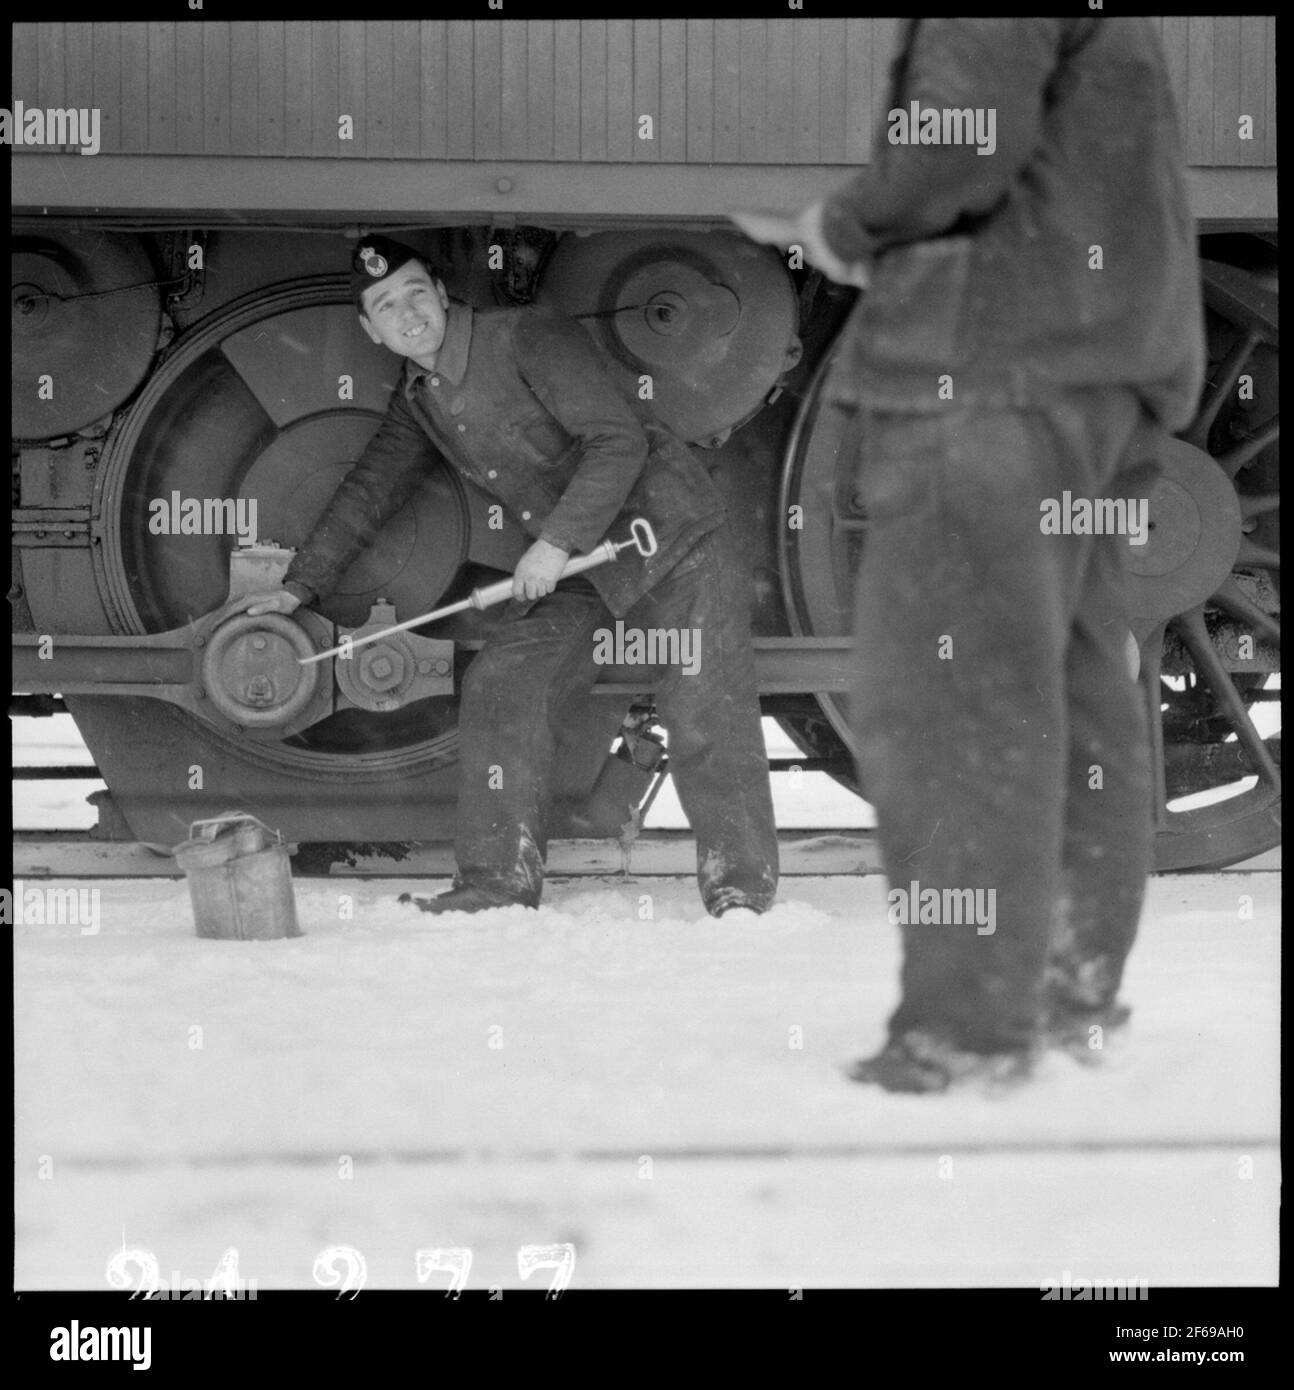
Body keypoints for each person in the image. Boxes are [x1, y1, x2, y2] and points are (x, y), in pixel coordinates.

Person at [763, 17, 1204, 1090]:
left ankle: (966, 1026)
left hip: (988, 363)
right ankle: (1068, 988)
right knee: (1076, 677)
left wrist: (847, 223)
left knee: (953, 690)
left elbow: (957, 142)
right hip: (1109, 369)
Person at [224, 235, 778, 917]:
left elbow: (617, 439)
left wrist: (551, 545)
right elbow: (371, 489)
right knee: (505, 681)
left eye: (416, 293)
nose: (409, 313)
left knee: (704, 704)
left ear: (441, 293)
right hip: (580, 565)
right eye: (387, 305)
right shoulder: (421, 398)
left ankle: (741, 891)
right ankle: (496, 884)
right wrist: (300, 586)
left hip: (669, 535)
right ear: (372, 328)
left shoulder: (522, 338)